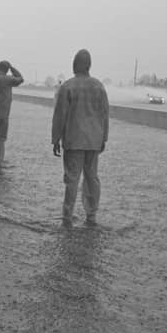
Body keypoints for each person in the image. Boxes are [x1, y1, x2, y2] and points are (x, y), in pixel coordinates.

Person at [51, 49, 109, 227]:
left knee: (72, 180)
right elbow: (104, 114)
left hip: (74, 140)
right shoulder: (99, 86)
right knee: (92, 178)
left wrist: (55, 139)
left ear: (74, 65)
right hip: (93, 141)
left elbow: (60, 115)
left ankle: (67, 216)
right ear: (89, 65)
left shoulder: (68, 87)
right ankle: (91, 216)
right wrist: (104, 138)